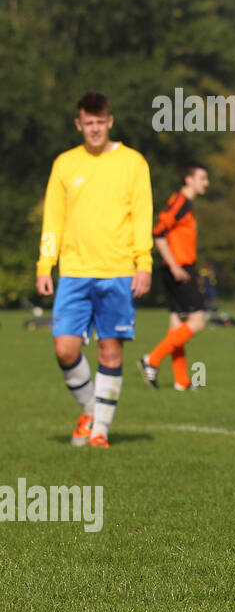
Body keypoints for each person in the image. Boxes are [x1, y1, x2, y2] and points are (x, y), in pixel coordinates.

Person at [36, 92, 153, 449]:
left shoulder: (133, 163)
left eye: (101, 123)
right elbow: (52, 220)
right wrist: (45, 265)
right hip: (73, 272)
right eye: (89, 124)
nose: (95, 130)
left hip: (118, 271)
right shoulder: (65, 164)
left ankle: (99, 431)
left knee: (110, 351)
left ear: (110, 122)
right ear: (79, 124)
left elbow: (142, 216)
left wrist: (143, 263)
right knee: (65, 350)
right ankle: (91, 408)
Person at [138, 164, 211, 391]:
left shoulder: (188, 204)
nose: (206, 182)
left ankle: (181, 381)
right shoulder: (180, 201)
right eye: (202, 178)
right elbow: (158, 232)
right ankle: (151, 359)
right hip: (179, 270)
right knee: (198, 321)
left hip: (179, 268)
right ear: (189, 180)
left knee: (177, 325)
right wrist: (174, 265)